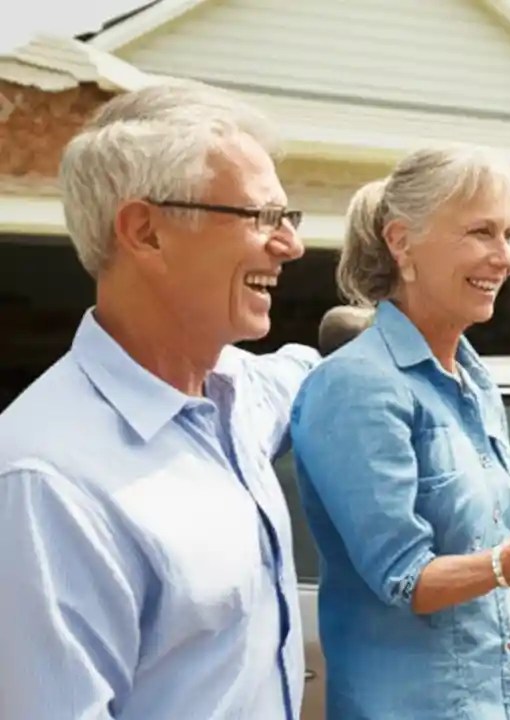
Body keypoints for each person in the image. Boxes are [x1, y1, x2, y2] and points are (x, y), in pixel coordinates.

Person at [0, 81, 317, 718]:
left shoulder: (243, 394)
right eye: (260, 216)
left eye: (288, 217)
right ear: (146, 232)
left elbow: (313, 370)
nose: (291, 245)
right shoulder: (47, 482)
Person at [288, 144, 510, 720]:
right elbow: (410, 580)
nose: (505, 257)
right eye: (481, 232)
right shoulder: (356, 387)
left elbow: (489, 586)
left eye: (509, 234)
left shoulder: (474, 380)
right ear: (401, 240)